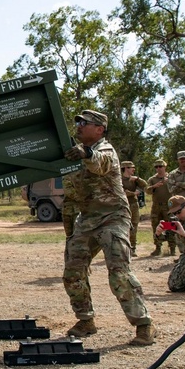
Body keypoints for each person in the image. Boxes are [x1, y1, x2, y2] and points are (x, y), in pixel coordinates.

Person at [61, 109, 154, 346]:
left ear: (99, 129)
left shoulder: (104, 149)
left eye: (85, 123)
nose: (79, 126)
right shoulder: (75, 153)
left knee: (119, 272)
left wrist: (86, 152)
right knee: (73, 271)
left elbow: (100, 163)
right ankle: (86, 320)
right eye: (78, 122)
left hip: (113, 217)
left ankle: (144, 325)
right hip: (88, 219)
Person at [147, 159, 176, 257]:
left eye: (160, 166)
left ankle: (172, 248)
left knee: (170, 226)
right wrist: (154, 186)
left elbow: (176, 188)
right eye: (156, 167)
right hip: (156, 205)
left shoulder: (171, 178)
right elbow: (147, 191)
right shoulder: (152, 179)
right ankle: (158, 248)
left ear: (165, 167)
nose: (158, 169)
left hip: (168, 205)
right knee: (156, 226)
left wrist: (169, 182)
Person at [120, 161, 149, 255]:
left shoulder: (135, 179)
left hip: (134, 205)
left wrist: (137, 178)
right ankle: (123, 248)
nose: (134, 169)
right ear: (126, 168)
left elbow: (145, 186)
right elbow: (122, 192)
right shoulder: (119, 179)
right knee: (123, 227)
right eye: (132, 168)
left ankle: (132, 248)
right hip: (123, 206)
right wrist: (134, 193)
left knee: (134, 226)